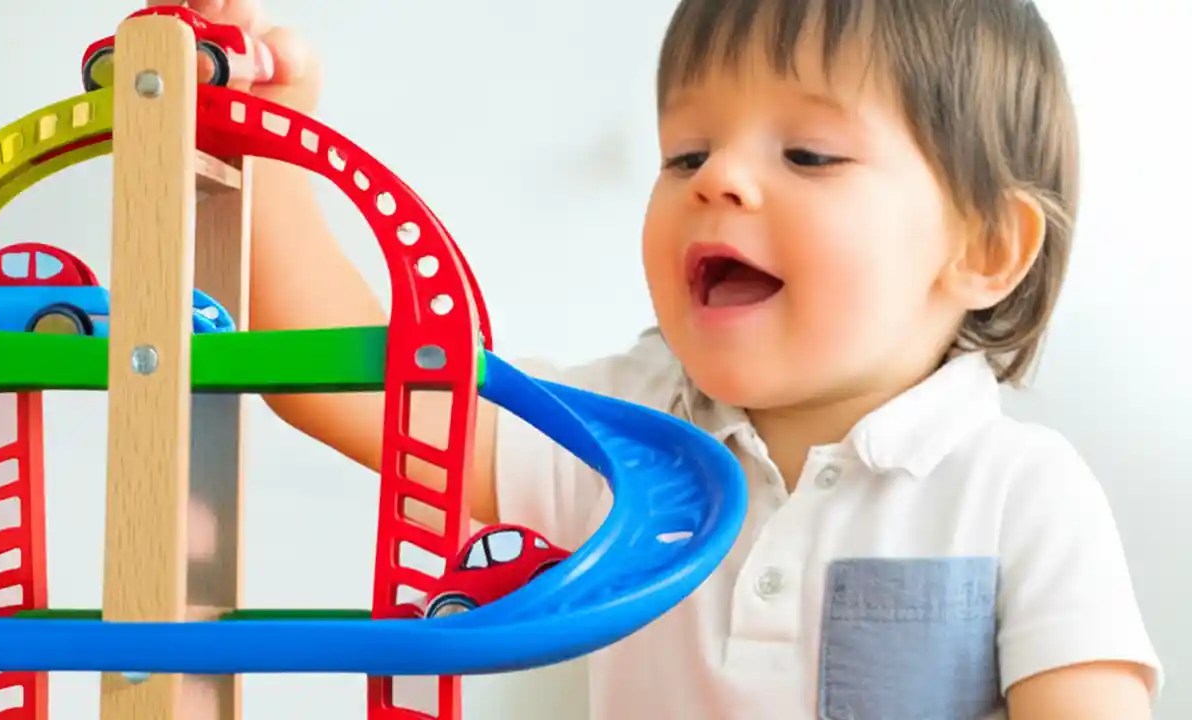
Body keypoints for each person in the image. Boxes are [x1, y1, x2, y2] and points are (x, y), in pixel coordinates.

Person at [165, 0, 1163, 717]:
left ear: (983, 247)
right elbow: (355, 388)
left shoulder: (1018, 492)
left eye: (807, 155)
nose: (719, 178)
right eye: (684, 153)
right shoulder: (619, 440)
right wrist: (269, 141)